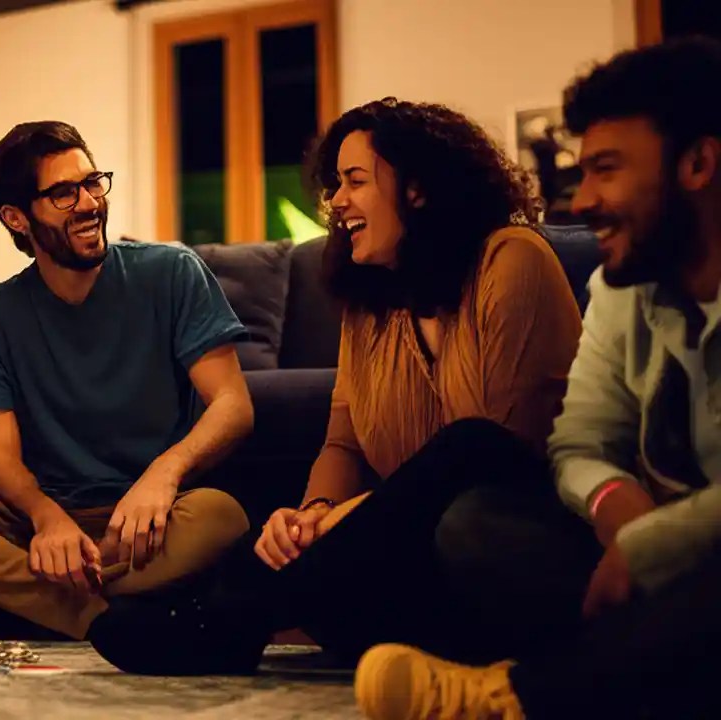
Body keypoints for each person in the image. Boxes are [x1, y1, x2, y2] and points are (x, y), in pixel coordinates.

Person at [89, 98, 591, 676]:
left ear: (417, 189)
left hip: (506, 538)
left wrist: (342, 521)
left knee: (470, 447)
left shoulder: (511, 257)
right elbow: (343, 443)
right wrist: (312, 515)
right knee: (308, 557)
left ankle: (224, 622)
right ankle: (241, 614)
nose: (337, 202)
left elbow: (502, 446)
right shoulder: (369, 300)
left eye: (355, 181)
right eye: (335, 186)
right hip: (406, 559)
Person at [354, 37, 721, 720]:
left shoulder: (510, 258)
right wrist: (614, 504)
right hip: (640, 543)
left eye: (606, 170)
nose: (583, 201)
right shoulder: (621, 287)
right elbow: (580, 441)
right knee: (476, 529)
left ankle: (514, 695)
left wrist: (652, 546)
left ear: (698, 163)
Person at [0, 121, 253, 640]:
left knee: (221, 515)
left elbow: (233, 404)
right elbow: (1, 460)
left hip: (148, 520)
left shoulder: (173, 273)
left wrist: (163, 474)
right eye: (64, 193)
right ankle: (100, 620)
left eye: (92, 183)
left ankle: (25, 604)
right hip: (37, 527)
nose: (89, 204)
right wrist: (46, 518)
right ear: (16, 217)